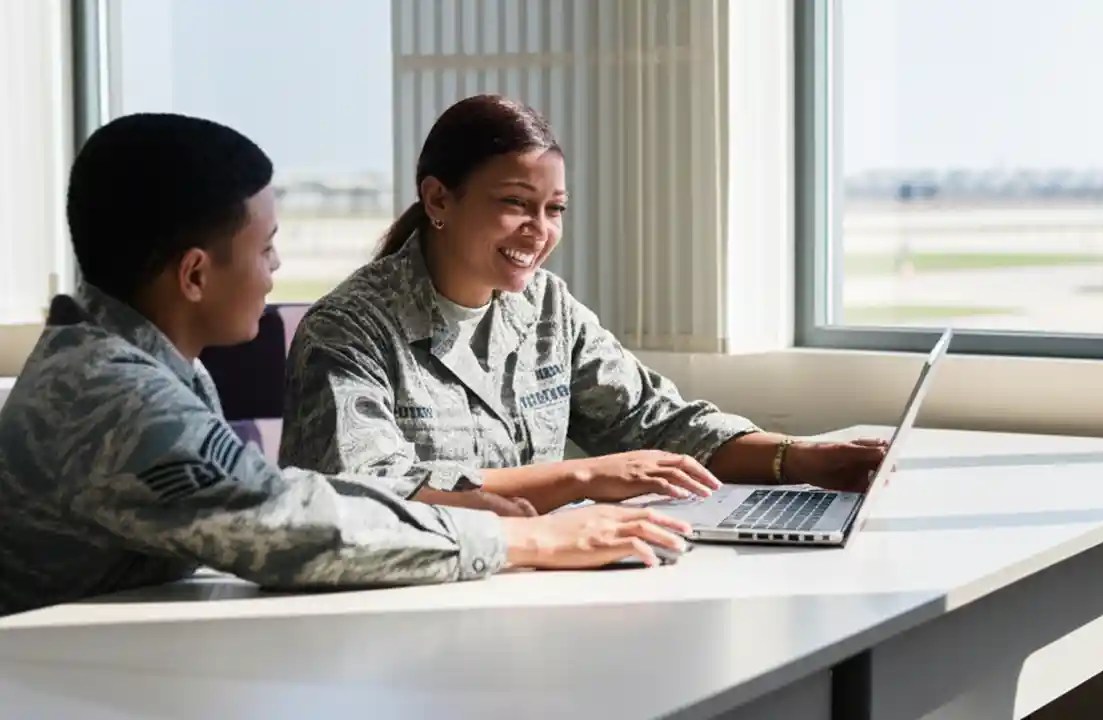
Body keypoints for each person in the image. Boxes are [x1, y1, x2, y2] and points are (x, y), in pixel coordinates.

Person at [0, 113, 691, 617]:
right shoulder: (115, 397)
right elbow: (285, 521)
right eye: (266, 248)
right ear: (194, 275)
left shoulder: (125, 361)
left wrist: (447, 505)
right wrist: (525, 538)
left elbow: (261, 489)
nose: (276, 272)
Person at [279, 94, 888, 516]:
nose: (539, 231)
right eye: (516, 203)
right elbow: (367, 492)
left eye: (555, 210)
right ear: (439, 199)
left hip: (534, 583)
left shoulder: (547, 308)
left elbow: (656, 423)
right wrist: (582, 478)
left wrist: (800, 458)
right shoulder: (348, 331)